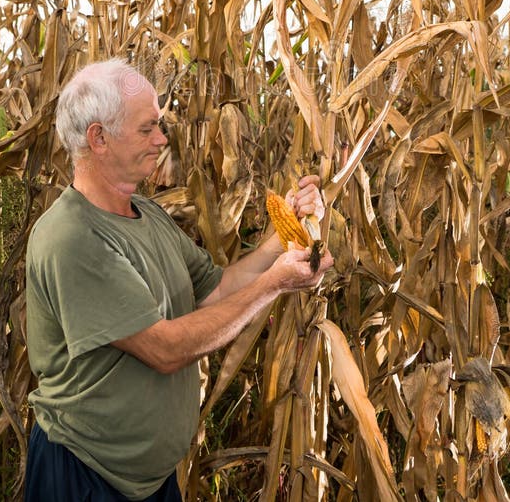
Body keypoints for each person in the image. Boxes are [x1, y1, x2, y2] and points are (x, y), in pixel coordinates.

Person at [24, 58, 332, 502]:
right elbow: (165, 349)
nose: (162, 139)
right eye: (147, 129)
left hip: (150, 481)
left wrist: (285, 236)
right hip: (85, 475)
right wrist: (275, 285)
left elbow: (218, 288)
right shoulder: (73, 238)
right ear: (99, 138)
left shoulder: (146, 214)